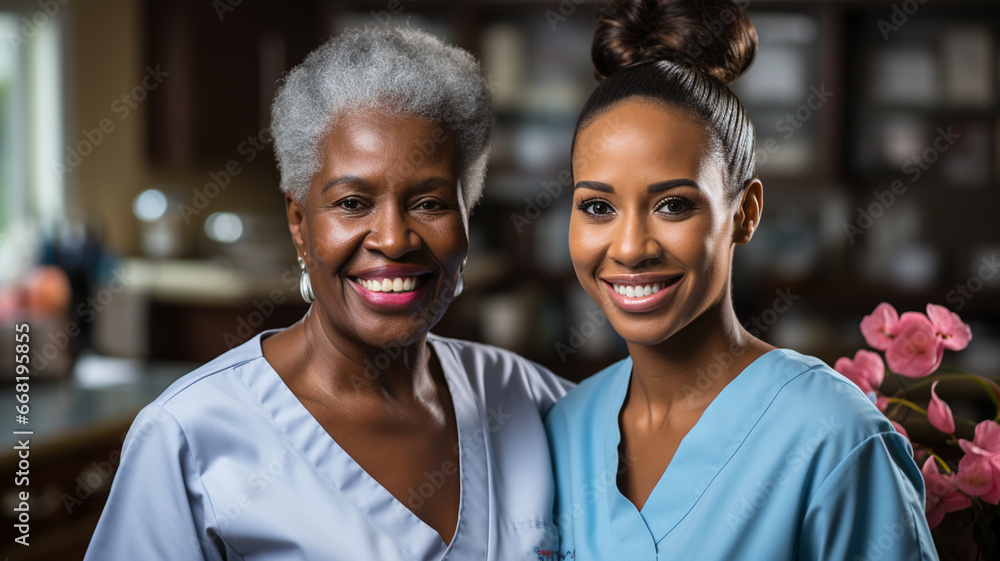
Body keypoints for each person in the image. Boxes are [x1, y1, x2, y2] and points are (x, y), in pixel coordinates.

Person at [85, 26, 570, 560]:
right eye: (352, 203)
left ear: (466, 218)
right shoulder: (190, 437)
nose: (393, 239)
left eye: (430, 203)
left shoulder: (529, 400)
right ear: (299, 223)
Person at [544, 1, 938, 559]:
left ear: (746, 213)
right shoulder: (565, 430)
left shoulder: (831, 436)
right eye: (598, 207)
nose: (630, 248)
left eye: (674, 205)